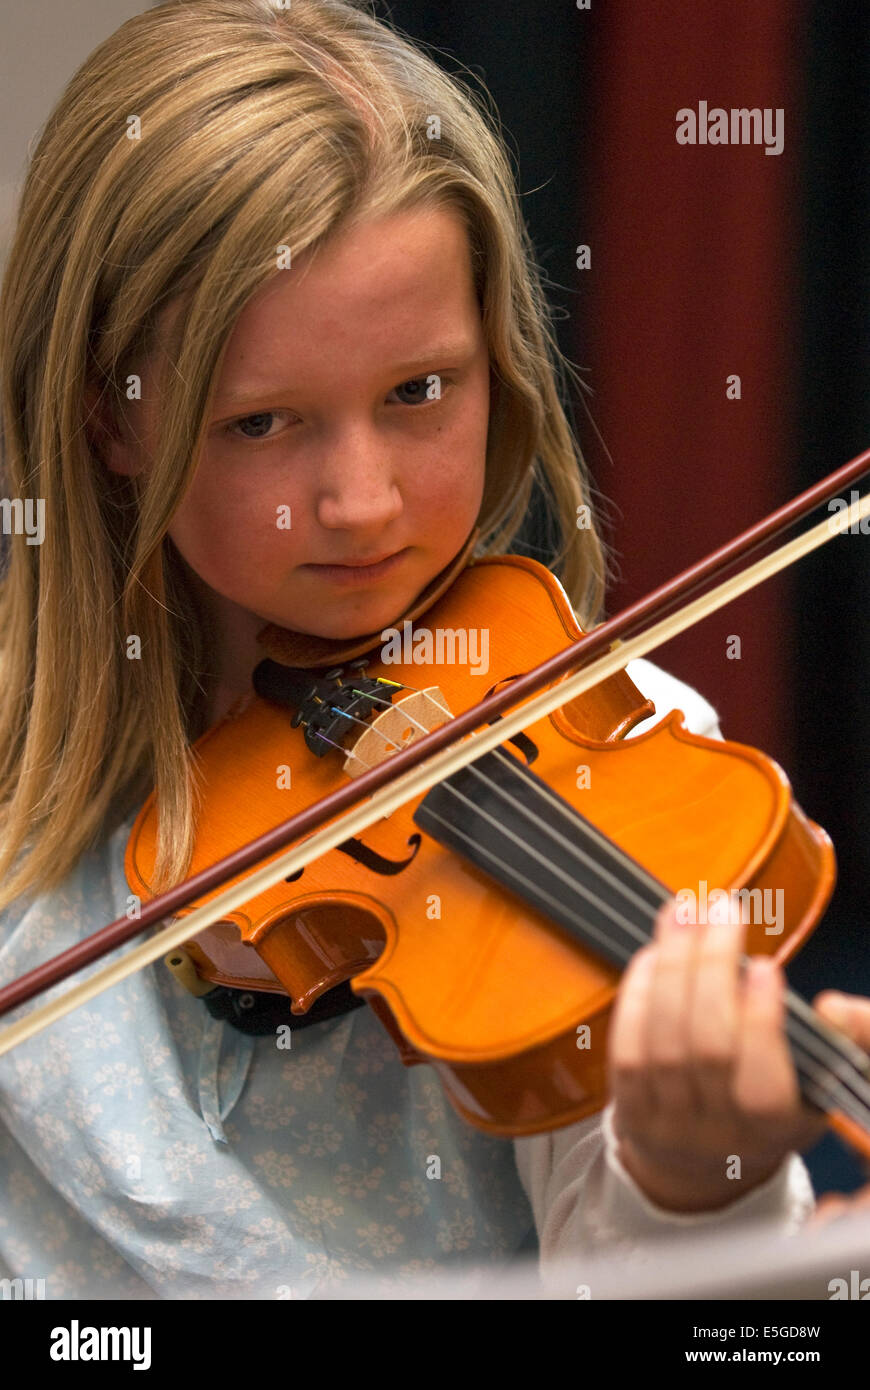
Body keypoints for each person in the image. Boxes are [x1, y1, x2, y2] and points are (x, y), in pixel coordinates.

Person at [0, 0, 858, 1299]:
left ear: (497, 365)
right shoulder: (20, 794)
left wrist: (698, 1180)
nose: (362, 502)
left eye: (417, 393)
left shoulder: (620, 758)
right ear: (111, 422)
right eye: (263, 423)